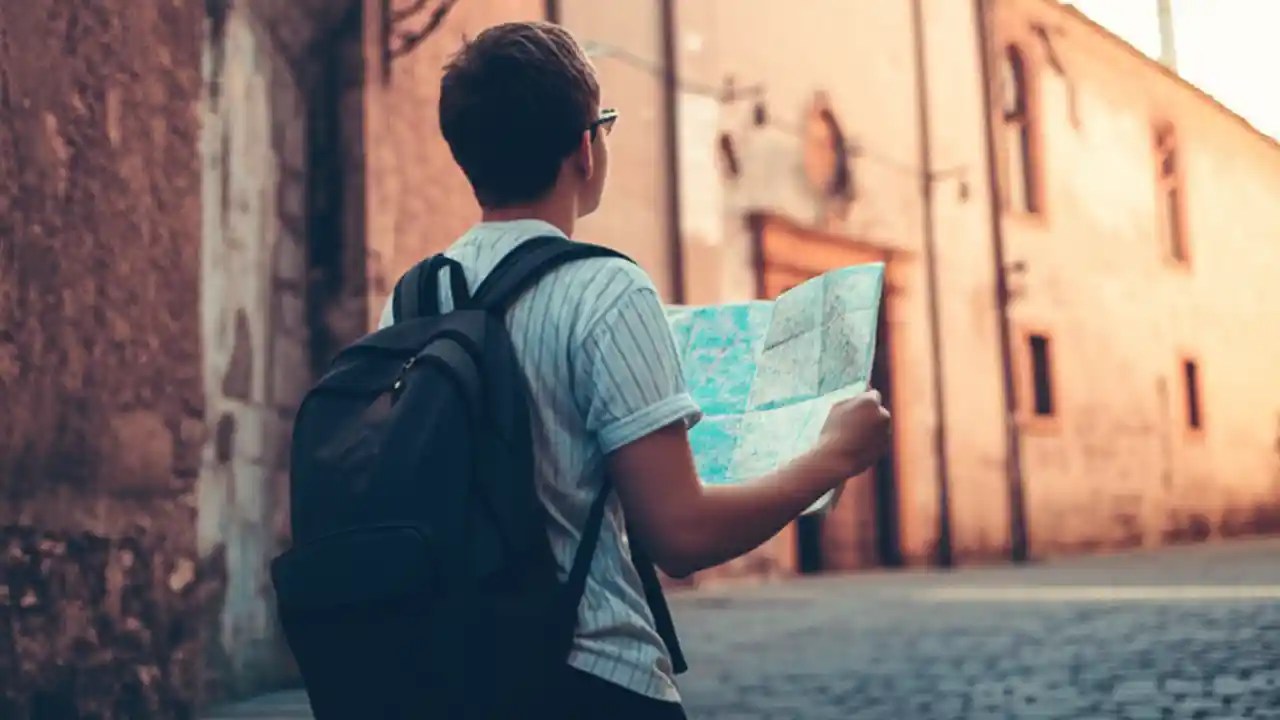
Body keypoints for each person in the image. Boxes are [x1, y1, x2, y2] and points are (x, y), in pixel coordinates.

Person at [375, 20, 892, 719]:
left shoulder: (409, 298)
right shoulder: (606, 291)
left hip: (449, 677)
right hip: (589, 674)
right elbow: (682, 535)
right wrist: (834, 457)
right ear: (586, 149)